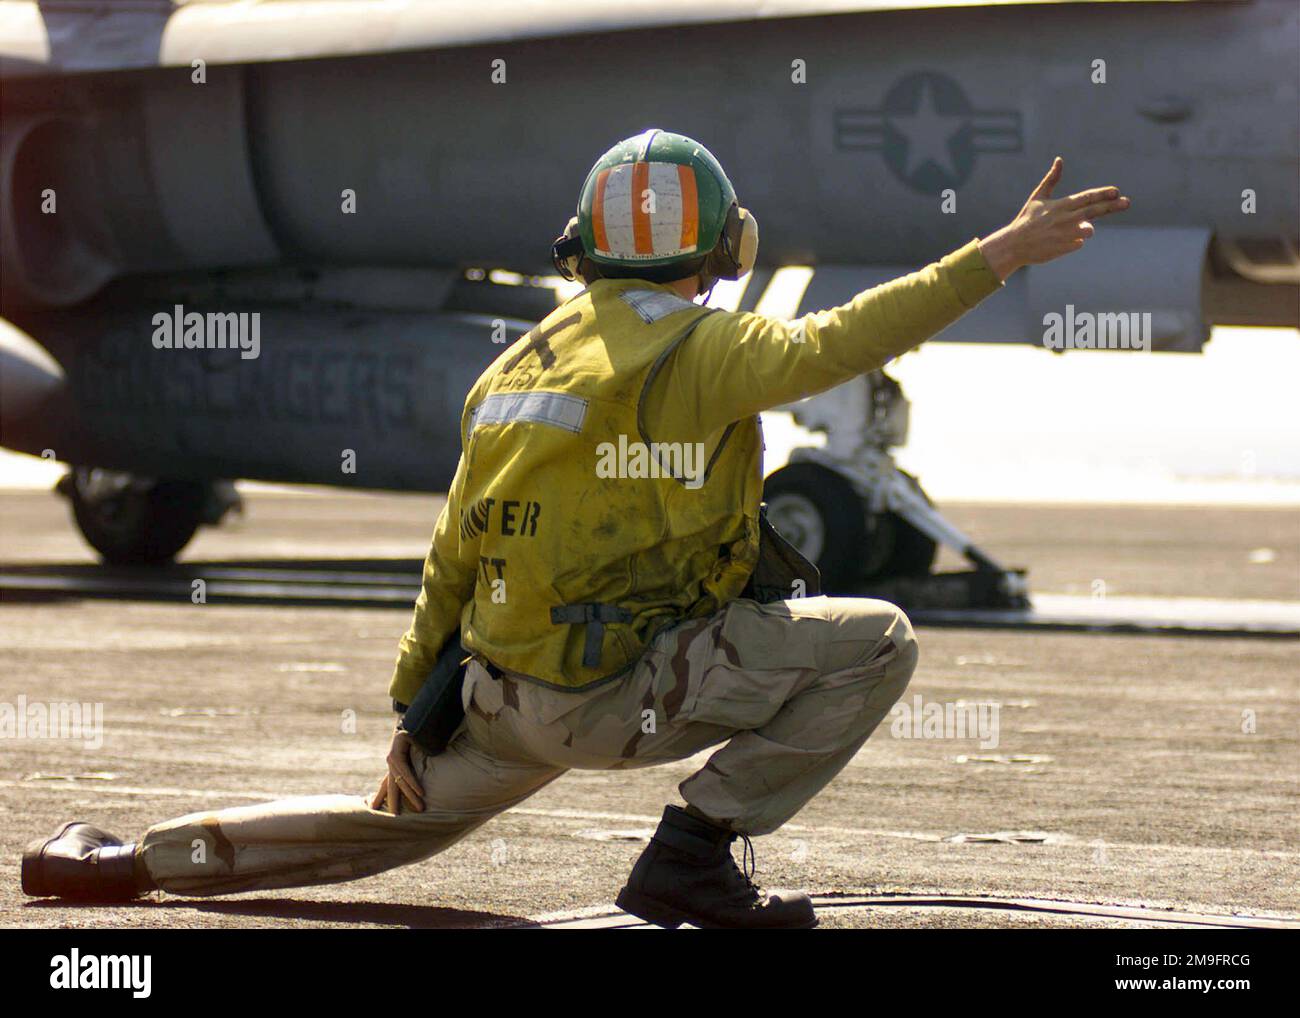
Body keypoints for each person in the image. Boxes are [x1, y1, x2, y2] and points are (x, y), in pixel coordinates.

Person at [22, 130, 1128, 928]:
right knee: (878, 637)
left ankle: (125, 863)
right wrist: (999, 254)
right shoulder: (701, 349)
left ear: (580, 250)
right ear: (722, 249)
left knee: (377, 830)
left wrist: (413, 714)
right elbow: (834, 343)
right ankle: (693, 853)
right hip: (622, 697)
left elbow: (454, 548)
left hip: (503, 696)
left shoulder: (516, 361)